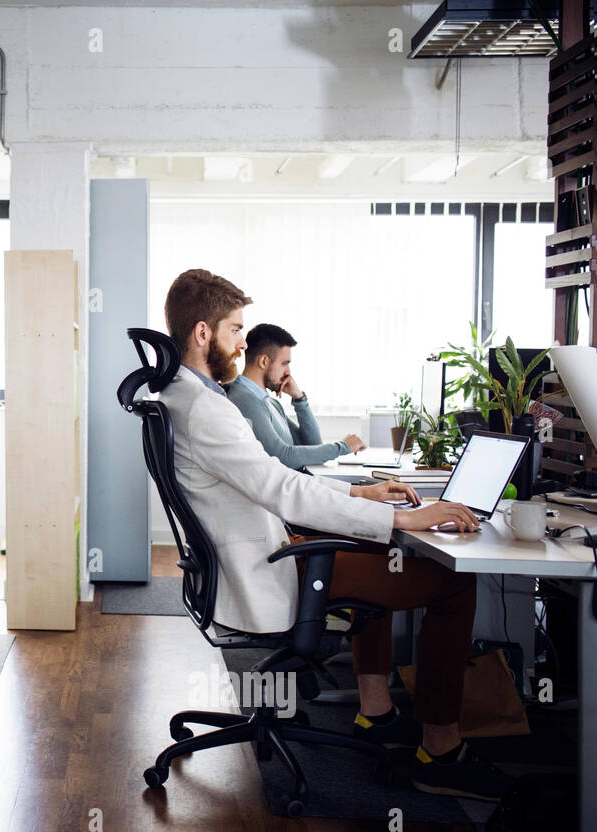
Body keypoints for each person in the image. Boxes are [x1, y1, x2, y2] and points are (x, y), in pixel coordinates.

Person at [161, 268, 506, 801]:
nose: (242, 343)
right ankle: (440, 750)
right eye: (235, 330)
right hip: (266, 568)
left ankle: (377, 711)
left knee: (381, 552)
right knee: (452, 580)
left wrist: (364, 500)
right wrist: (401, 518)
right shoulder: (209, 409)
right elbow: (281, 486)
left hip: (258, 554)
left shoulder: (183, 397)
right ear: (204, 333)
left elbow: (275, 485)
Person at [225, 323, 364, 469]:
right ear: (263, 361)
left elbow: (313, 446)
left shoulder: (271, 403)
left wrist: (299, 399)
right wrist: (343, 447)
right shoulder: (243, 399)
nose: (288, 372)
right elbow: (282, 456)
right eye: (284, 364)